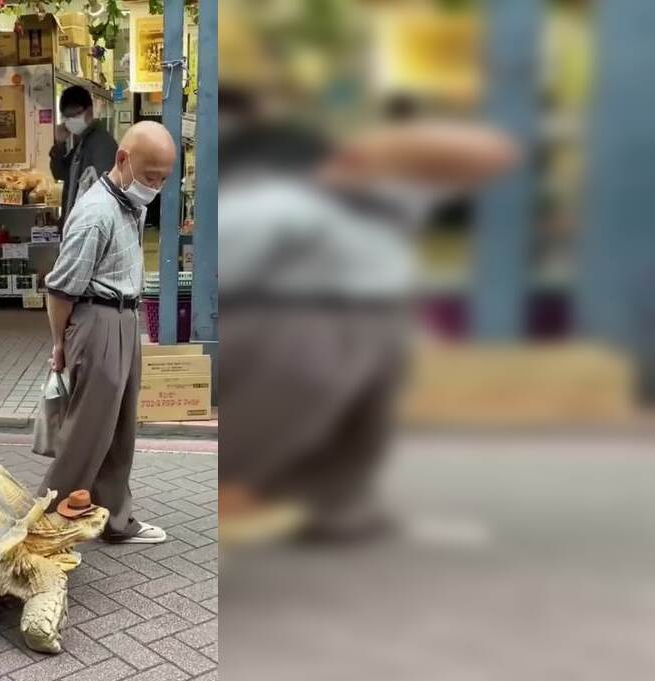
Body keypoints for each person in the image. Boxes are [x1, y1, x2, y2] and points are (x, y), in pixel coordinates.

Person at [219, 117, 518, 546]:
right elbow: (229, 264)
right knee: (276, 418)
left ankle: (339, 510)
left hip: (376, 316)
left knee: (365, 427)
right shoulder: (283, 204)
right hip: (306, 317)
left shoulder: (389, 206)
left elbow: (489, 152)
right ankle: (233, 500)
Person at [37, 121, 176, 544]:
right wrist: (60, 345)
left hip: (124, 317)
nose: (155, 187)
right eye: (150, 177)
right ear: (122, 160)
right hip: (97, 322)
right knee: (87, 433)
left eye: (163, 179)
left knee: (118, 430)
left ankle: (115, 519)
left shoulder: (130, 204)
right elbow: (60, 290)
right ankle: (45, 527)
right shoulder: (96, 214)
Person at [50, 85, 118, 226]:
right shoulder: (81, 143)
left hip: (89, 226)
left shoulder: (102, 143)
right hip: (76, 224)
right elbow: (60, 174)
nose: (72, 120)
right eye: (67, 116)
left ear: (89, 111)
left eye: (76, 114)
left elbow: (103, 191)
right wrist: (60, 144)